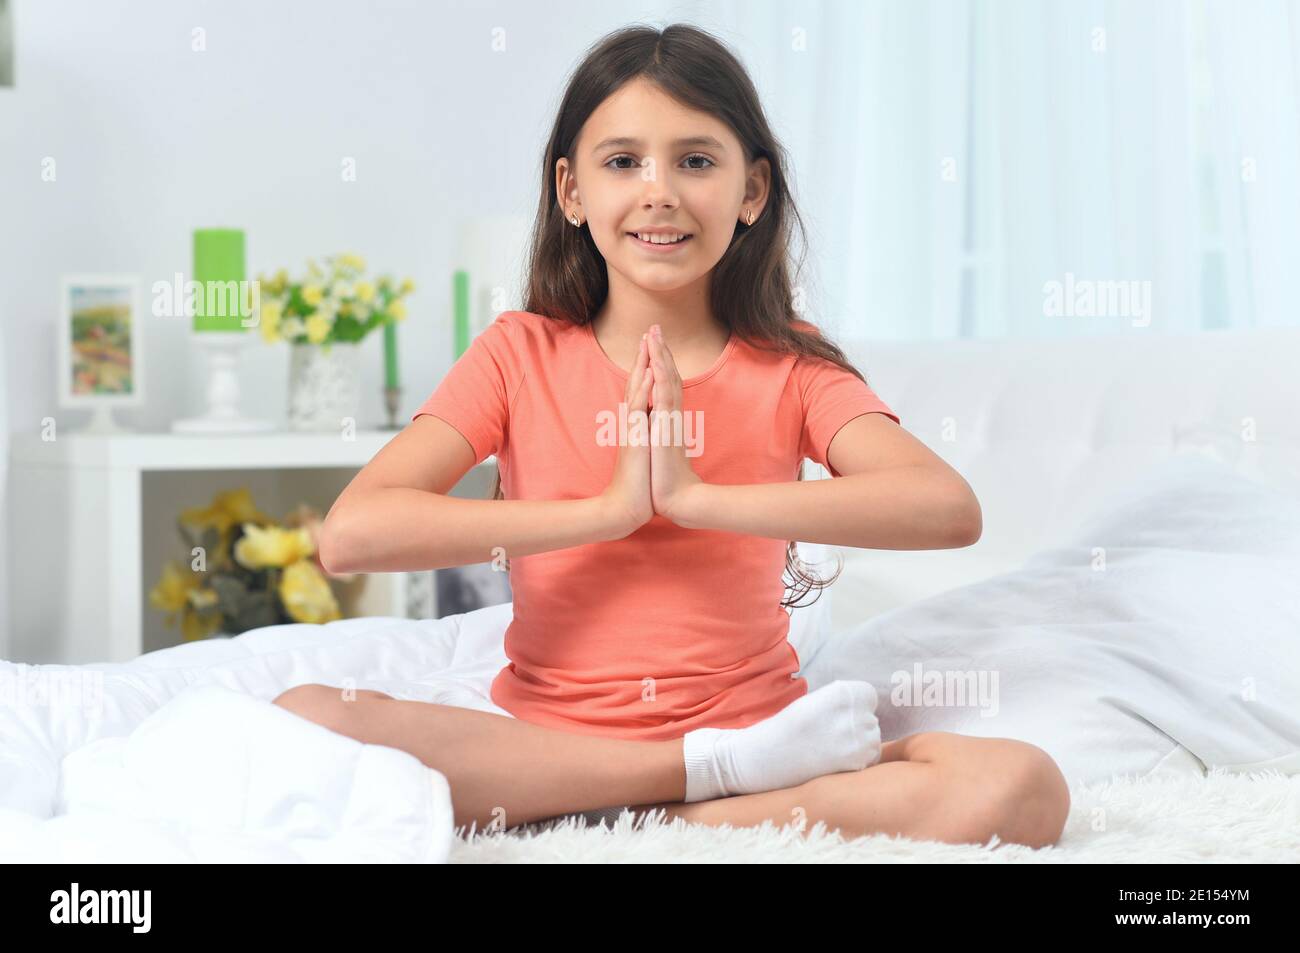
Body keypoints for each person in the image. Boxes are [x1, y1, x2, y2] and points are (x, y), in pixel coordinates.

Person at [274, 23, 1070, 848]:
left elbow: (947, 508)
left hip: (758, 729)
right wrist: (608, 510)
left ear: (751, 191)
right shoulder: (518, 353)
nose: (659, 192)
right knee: (303, 722)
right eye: (623, 162)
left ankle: (667, 792)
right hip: (548, 750)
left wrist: (695, 497)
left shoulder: (791, 366)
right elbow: (351, 535)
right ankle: (700, 779)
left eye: (696, 160)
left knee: (1022, 787)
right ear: (571, 191)